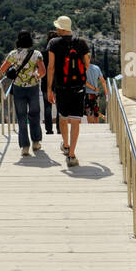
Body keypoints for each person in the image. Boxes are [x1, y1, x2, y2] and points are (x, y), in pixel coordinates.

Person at [46, 15, 90, 168]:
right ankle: (72, 155)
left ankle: (65, 145)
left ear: (62, 28)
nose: (57, 29)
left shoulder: (53, 43)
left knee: (63, 118)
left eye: (58, 27)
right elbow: (87, 64)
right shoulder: (81, 42)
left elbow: (50, 68)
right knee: (76, 121)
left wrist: (49, 89)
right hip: (78, 88)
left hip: (61, 88)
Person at [0, 30, 46, 156]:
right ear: (30, 40)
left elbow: (2, 69)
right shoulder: (37, 54)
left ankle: (25, 146)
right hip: (33, 87)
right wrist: (36, 75)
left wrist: (13, 70)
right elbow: (43, 71)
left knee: (21, 117)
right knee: (34, 114)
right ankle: (36, 142)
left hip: (18, 88)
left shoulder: (13, 54)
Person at [40, 28, 59, 134]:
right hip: (58, 82)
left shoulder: (43, 54)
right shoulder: (60, 53)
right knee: (59, 107)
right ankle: (60, 128)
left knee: (47, 107)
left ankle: (49, 129)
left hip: (45, 82)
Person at [84, 58, 106, 123]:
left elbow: (84, 81)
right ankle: (97, 127)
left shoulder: (83, 68)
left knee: (89, 113)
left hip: (88, 93)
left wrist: (93, 88)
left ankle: (91, 129)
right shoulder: (97, 68)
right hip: (96, 94)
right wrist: (106, 92)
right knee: (96, 112)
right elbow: (103, 81)